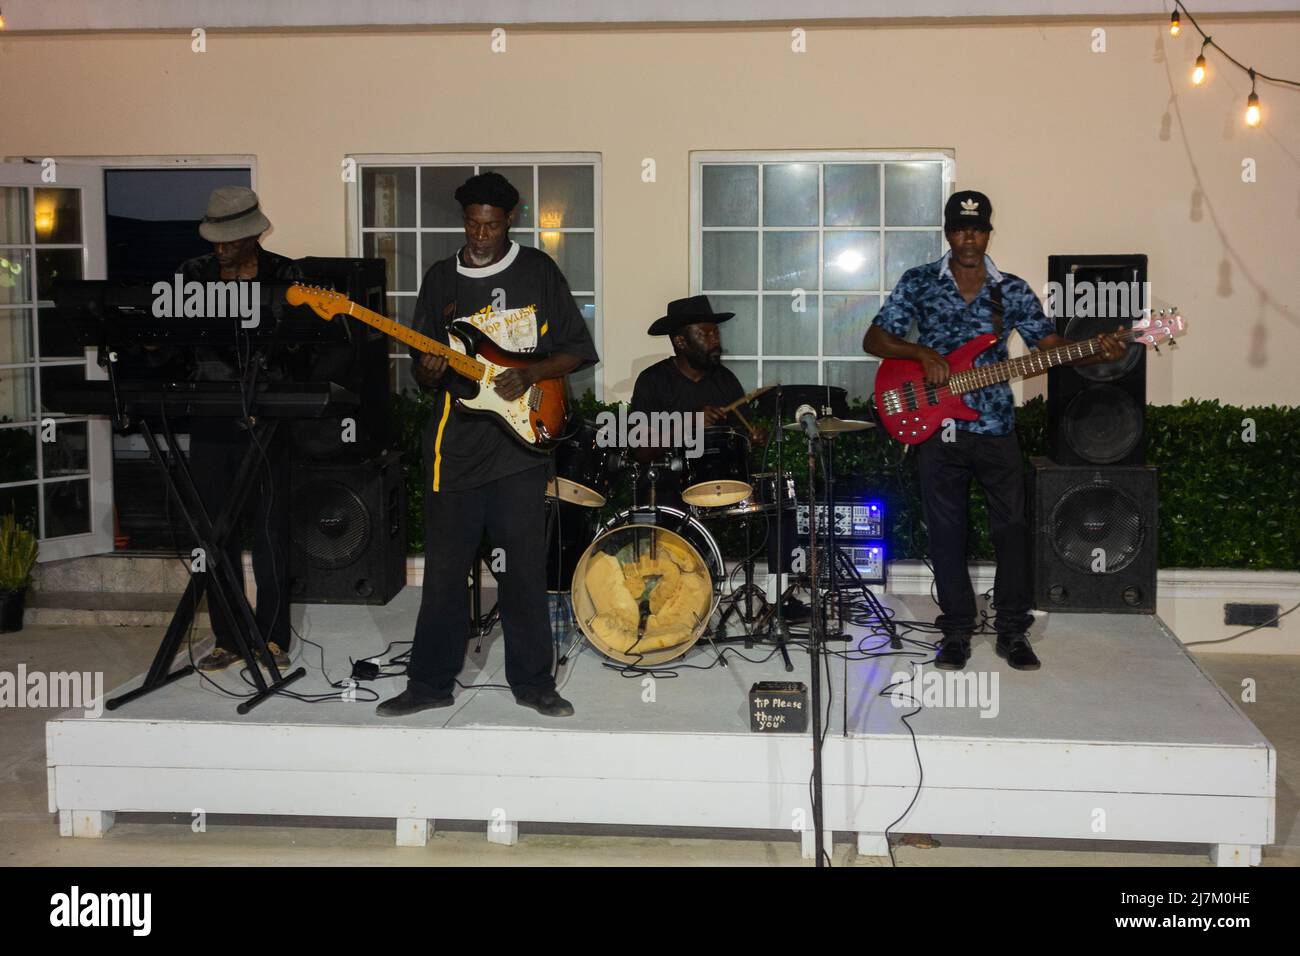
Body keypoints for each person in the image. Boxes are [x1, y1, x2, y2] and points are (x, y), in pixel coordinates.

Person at [863, 190, 1125, 672]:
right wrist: (922, 353)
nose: (969, 239)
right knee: (947, 532)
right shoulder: (919, 282)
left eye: (978, 230)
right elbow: (874, 338)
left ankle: (1012, 630)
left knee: (1013, 529)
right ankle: (956, 631)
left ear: (988, 234)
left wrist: (1095, 349)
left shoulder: (1012, 290)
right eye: (960, 230)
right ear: (948, 233)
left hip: (996, 426)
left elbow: (1050, 345)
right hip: (939, 428)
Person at [378, 172, 598, 718]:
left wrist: (532, 374)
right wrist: (428, 370)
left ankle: (534, 684)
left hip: (520, 447)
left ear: (510, 221)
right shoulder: (441, 279)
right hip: (454, 448)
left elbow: (576, 348)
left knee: (523, 572)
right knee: (444, 574)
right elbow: (424, 372)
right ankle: (429, 685)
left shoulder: (538, 271)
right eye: (473, 225)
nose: (480, 235)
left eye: (491, 226)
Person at [179, 186, 301, 673]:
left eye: (229, 238)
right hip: (210, 416)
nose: (220, 247)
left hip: (267, 418)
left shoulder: (286, 276)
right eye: (215, 238)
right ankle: (228, 635)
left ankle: (272, 637)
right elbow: (174, 344)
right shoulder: (192, 275)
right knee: (215, 531)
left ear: (253, 235)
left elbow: (303, 347)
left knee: (271, 530)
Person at [630, 296, 762, 508]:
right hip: (668, 498)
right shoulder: (652, 381)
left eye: (716, 333)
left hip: (721, 496)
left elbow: (741, 436)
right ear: (680, 342)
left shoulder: (725, 380)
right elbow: (641, 451)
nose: (715, 341)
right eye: (704, 335)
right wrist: (689, 423)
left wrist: (753, 437)